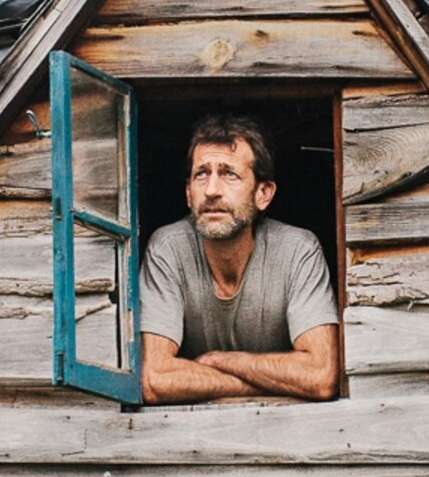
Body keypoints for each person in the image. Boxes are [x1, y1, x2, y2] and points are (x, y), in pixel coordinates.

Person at [139, 114, 338, 403]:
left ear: (263, 194)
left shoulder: (298, 251)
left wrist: (223, 361)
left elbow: (321, 376)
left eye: (229, 174)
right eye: (201, 174)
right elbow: (155, 379)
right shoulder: (168, 249)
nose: (211, 190)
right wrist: (269, 382)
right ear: (187, 193)